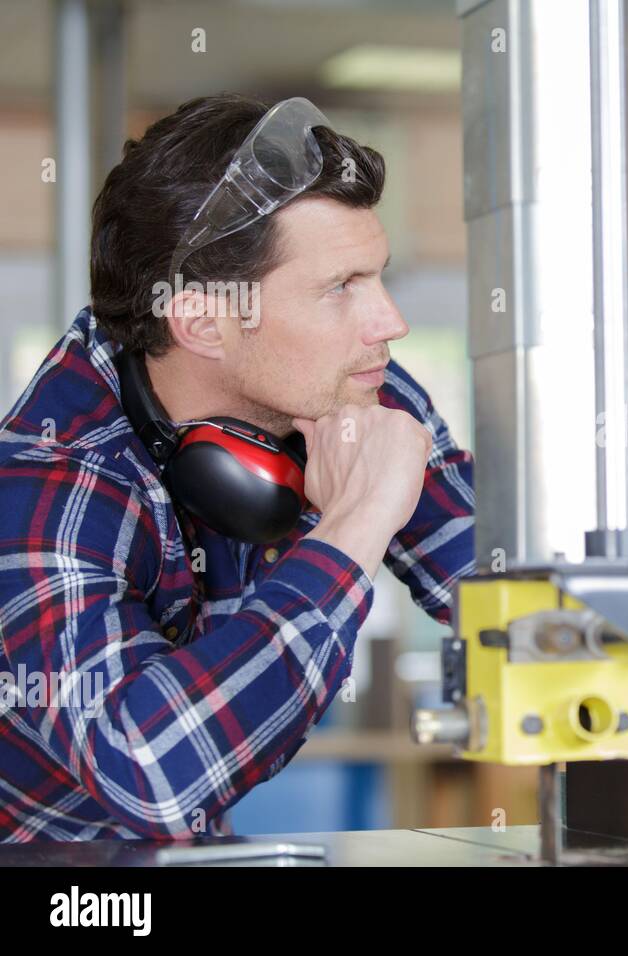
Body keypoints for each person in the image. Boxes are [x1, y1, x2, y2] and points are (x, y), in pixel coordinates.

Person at [0, 94, 475, 840]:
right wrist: (355, 526)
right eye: (339, 288)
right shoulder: (44, 487)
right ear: (201, 322)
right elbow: (154, 775)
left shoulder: (340, 380)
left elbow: (509, 586)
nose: (390, 323)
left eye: (377, 277)